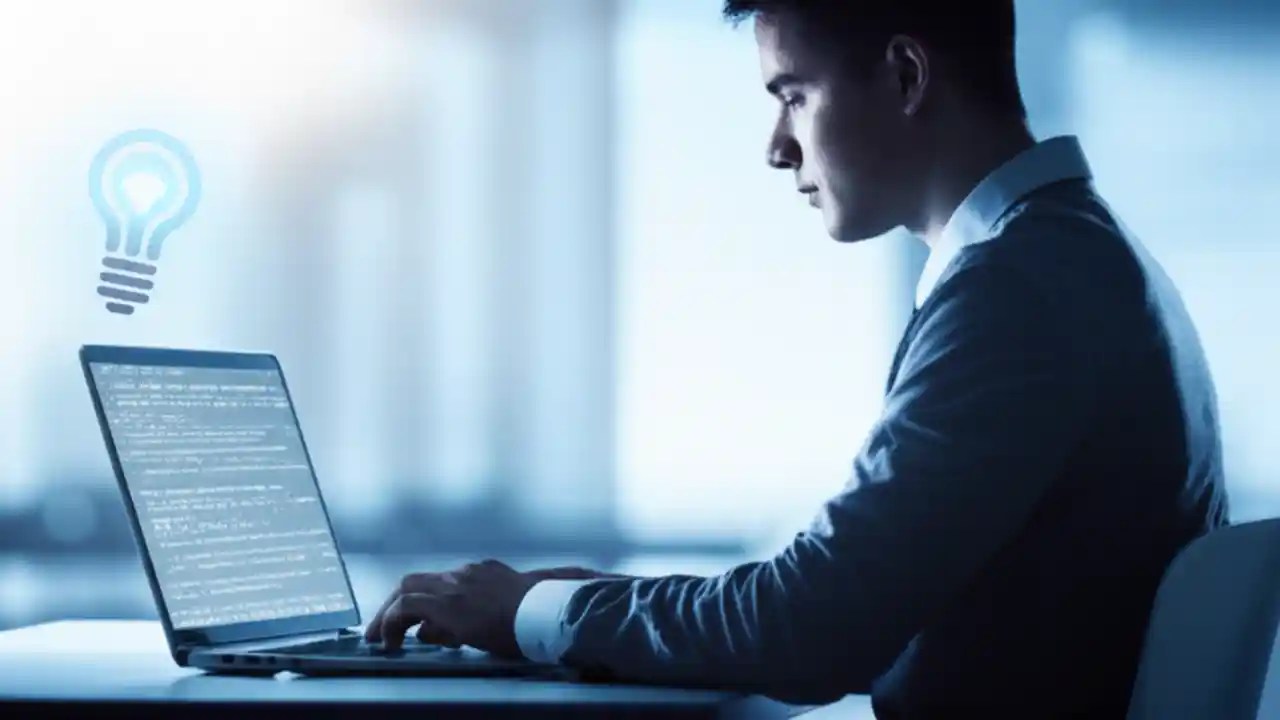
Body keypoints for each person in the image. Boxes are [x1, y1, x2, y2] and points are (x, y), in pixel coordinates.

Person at [364, 1, 1230, 716]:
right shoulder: (1078, 259)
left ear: (906, 76)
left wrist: (534, 612)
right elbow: (838, 599)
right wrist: (579, 602)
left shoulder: (1018, 292)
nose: (778, 146)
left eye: (795, 95)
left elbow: (811, 628)